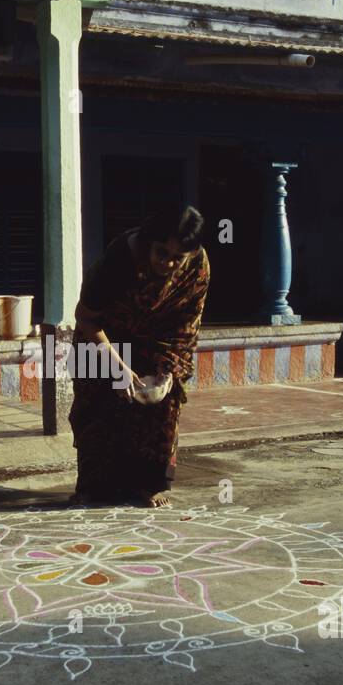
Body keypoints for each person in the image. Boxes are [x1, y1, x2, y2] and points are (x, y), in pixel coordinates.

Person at [70, 205, 210, 508]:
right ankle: (92, 486)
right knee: (96, 408)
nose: (168, 263)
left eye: (178, 258)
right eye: (162, 252)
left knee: (162, 405)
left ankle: (147, 485)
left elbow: (187, 321)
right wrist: (117, 367)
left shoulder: (198, 266)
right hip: (100, 336)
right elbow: (85, 317)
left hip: (156, 338)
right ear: (149, 241)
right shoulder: (118, 259)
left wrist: (168, 368)